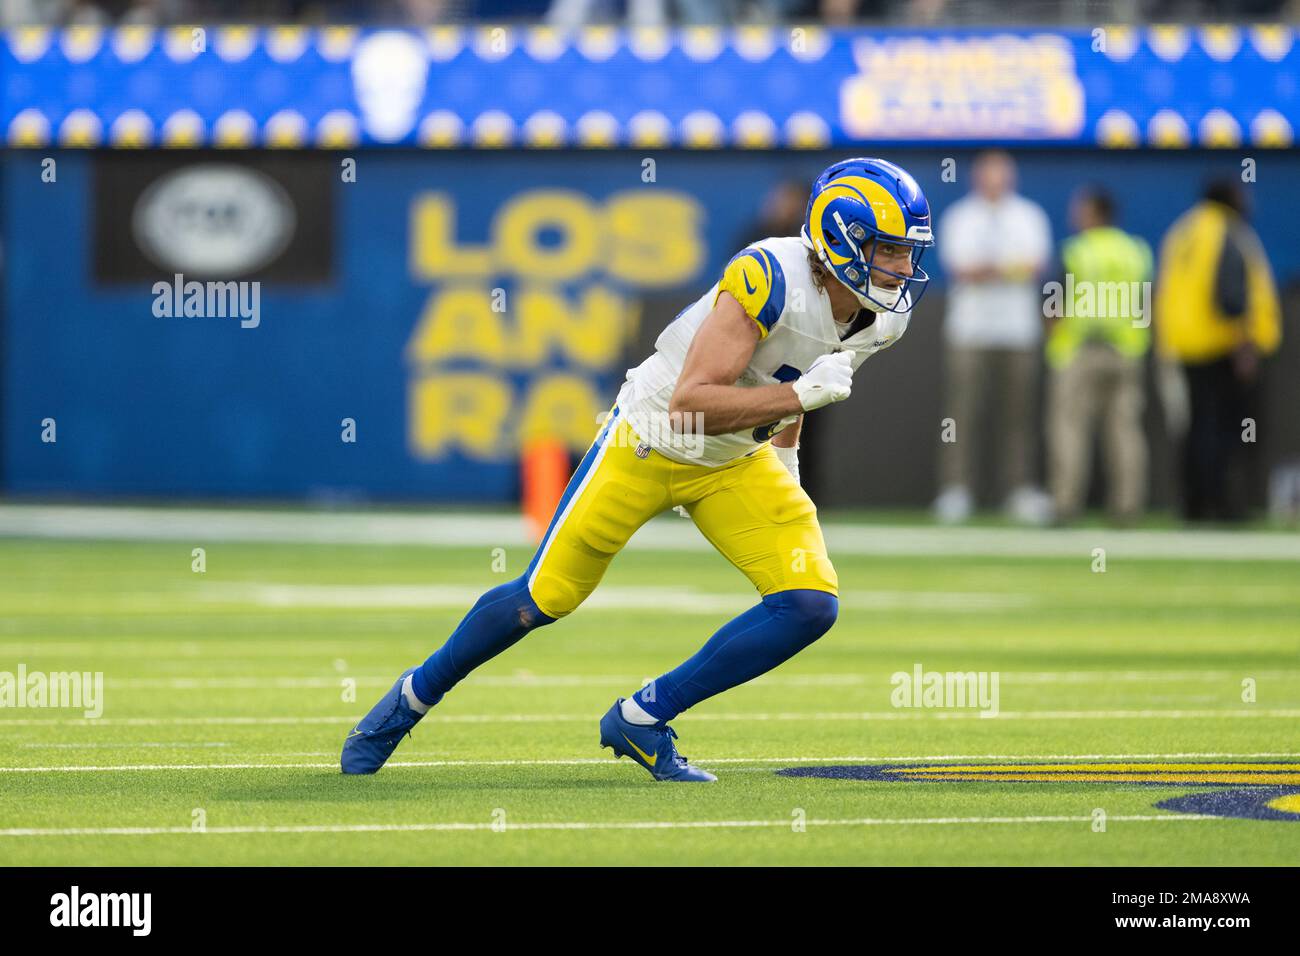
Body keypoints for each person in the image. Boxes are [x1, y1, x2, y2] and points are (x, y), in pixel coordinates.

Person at [342, 158, 934, 781]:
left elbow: (798, 376)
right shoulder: (769, 277)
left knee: (809, 604)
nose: (902, 267)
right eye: (890, 250)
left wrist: (785, 454)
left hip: (737, 461)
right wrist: (797, 401)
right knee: (543, 597)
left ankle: (644, 717)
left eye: (907, 251)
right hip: (650, 440)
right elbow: (690, 405)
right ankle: (409, 699)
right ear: (841, 240)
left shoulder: (885, 316)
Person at [932, 150, 1053, 525]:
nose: (994, 181)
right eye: (988, 174)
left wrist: (992, 270)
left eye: (1001, 174)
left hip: (1018, 332)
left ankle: (1018, 490)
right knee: (962, 415)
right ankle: (956, 491)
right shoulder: (960, 217)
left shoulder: (1029, 216)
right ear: (976, 178)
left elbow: (1035, 266)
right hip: (969, 330)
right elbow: (960, 269)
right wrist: (1005, 269)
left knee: (1018, 416)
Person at [1155, 179, 1282, 522]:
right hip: (1219, 344)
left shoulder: (1182, 231)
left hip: (1183, 344)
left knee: (1195, 425)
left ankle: (1193, 506)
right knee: (1224, 427)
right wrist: (1244, 344)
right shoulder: (1226, 230)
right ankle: (1223, 506)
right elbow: (1231, 292)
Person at [1045, 186, 1153, 525]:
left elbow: (1054, 304)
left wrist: (1054, 339)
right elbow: (1148, 301)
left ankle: (1065, 505)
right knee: (1124, 431)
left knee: (1069, 428)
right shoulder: (1135, 251)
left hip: (1081, 350)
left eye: (1080, 209)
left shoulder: (1077, 250)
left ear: (1094, 213)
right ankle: (1127, 507)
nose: (1074, 215)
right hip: (1126, 351)